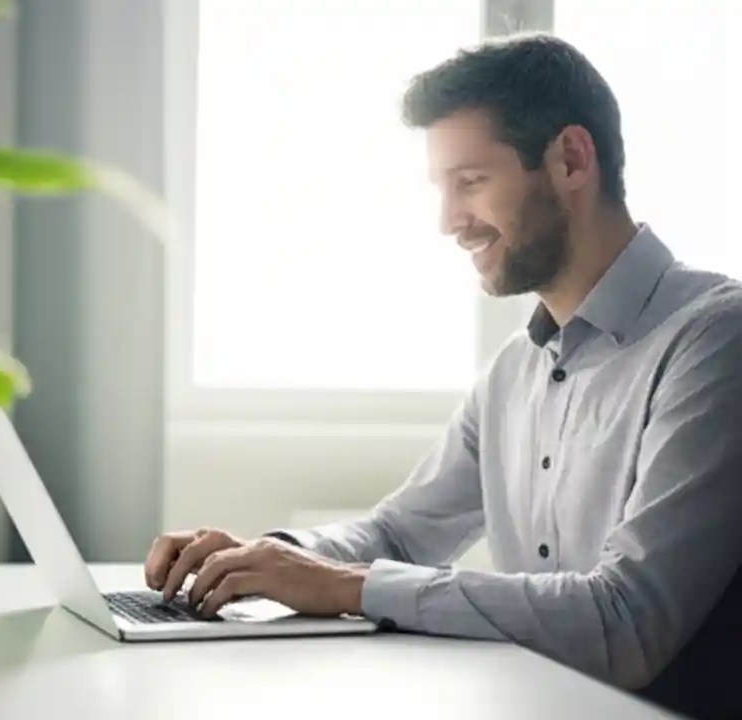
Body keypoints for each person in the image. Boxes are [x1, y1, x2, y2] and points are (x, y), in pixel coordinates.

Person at [146, 33, 742, 718]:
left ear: (572, 160)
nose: (449, 221)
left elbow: (626, 623)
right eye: (443, 188)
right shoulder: (514, 372)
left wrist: (348, 587)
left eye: (472, 182)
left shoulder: (715, 338)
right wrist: (264, 559)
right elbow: (399, 534)